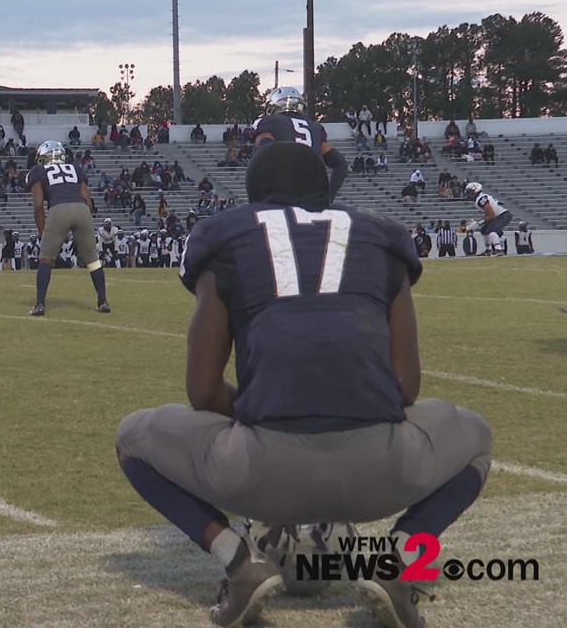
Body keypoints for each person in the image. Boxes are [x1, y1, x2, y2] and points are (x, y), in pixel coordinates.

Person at [115, 142, 492, 628]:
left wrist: (265, 406)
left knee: (133, 438)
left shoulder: (225, 239)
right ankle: (400, 556)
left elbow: (202, 391)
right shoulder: (383, 237)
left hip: (260, 474)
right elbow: (405, 388)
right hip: (380, 471)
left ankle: (237, 559)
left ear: (255, 194)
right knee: (476, 435)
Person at [25, 140, 109, 315]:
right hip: (82, 209)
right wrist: (84, 225)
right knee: (93, 261)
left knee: (46, 260)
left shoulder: (38, 171)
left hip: (58, 209)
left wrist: (42, 232)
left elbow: (38, 205)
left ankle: (40, 304)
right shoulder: (75, 168)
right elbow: (88, 200)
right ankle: (103, 302)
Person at [253, 87, 349, 201]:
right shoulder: (315, 127)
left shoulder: (270, 122)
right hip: (313, 195)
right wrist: (329, 197)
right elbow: (341, 163)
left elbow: (265, 152)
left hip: (282, 193)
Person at [465, 182, 512, 256]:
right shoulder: (480, 198)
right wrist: (479, 222)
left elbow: (491, 215)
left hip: (503, 215)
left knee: (491, 230)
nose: (468, 194)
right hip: (499, 215)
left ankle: (498, 249)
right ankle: (489, 250)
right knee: (484, 230)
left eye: (470, 192)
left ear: (476, 191)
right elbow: (489, 214)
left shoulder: (481, 199)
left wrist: (478, 223)